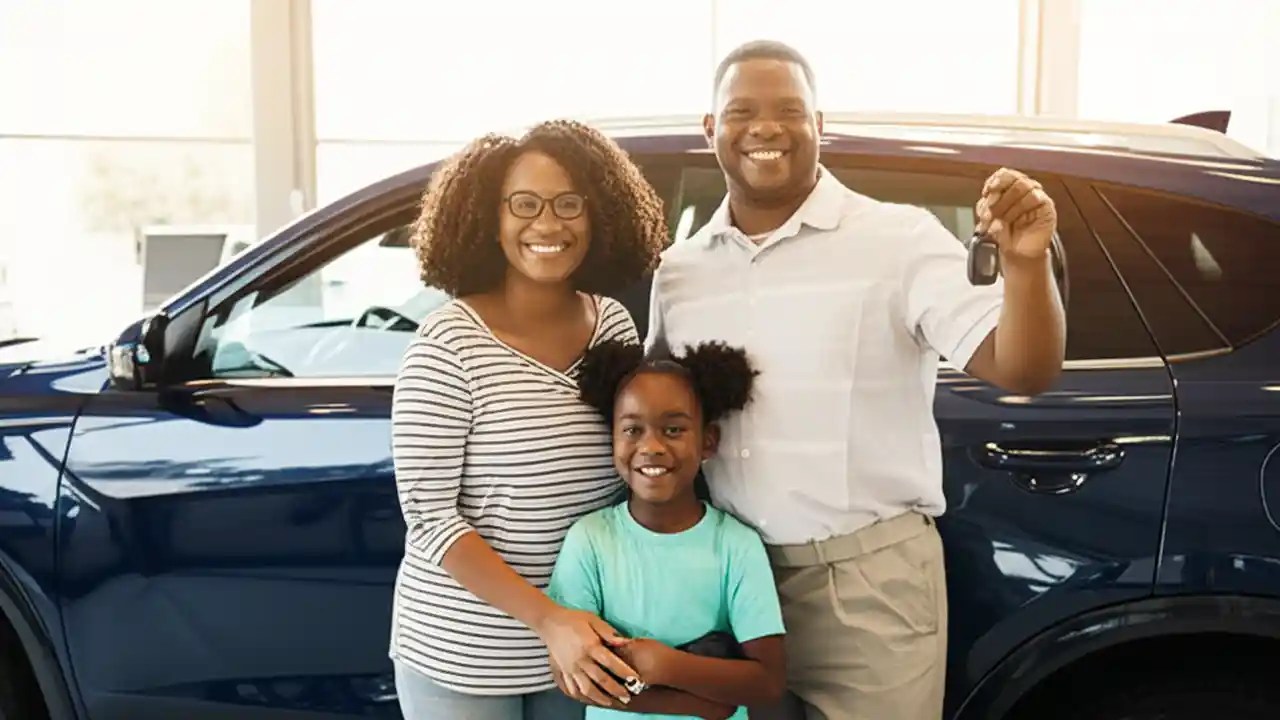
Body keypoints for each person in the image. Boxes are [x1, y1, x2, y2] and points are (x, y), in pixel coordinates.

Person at [645, 41, 1067, 720]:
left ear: (820, 123)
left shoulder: (897, 240)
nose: (765, 127)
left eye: (788, 109)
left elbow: (1023, 369)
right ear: (710, 129)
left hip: (870, 587)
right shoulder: (681, 271)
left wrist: (1025, 264)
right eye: (742, 111)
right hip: (728, 586)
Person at [390, 119, 669, 720]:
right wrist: (549, 619)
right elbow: (431, 518)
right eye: (524, 204)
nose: (548, 224)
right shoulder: (447, 343)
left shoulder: (614, 325)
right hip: (463, 655)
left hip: (585, 651)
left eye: (569, 203)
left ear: (597, 217)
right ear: (488, 219)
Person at [547, 339, 790, 720]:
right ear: (612, 437)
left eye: (673, 429)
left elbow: (768, 681)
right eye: (632, 430)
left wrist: (665, 665)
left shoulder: (736, 546)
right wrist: (695, 703)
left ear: (708, 441)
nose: (652, 447)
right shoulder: (590, 541)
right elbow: (570, 674)